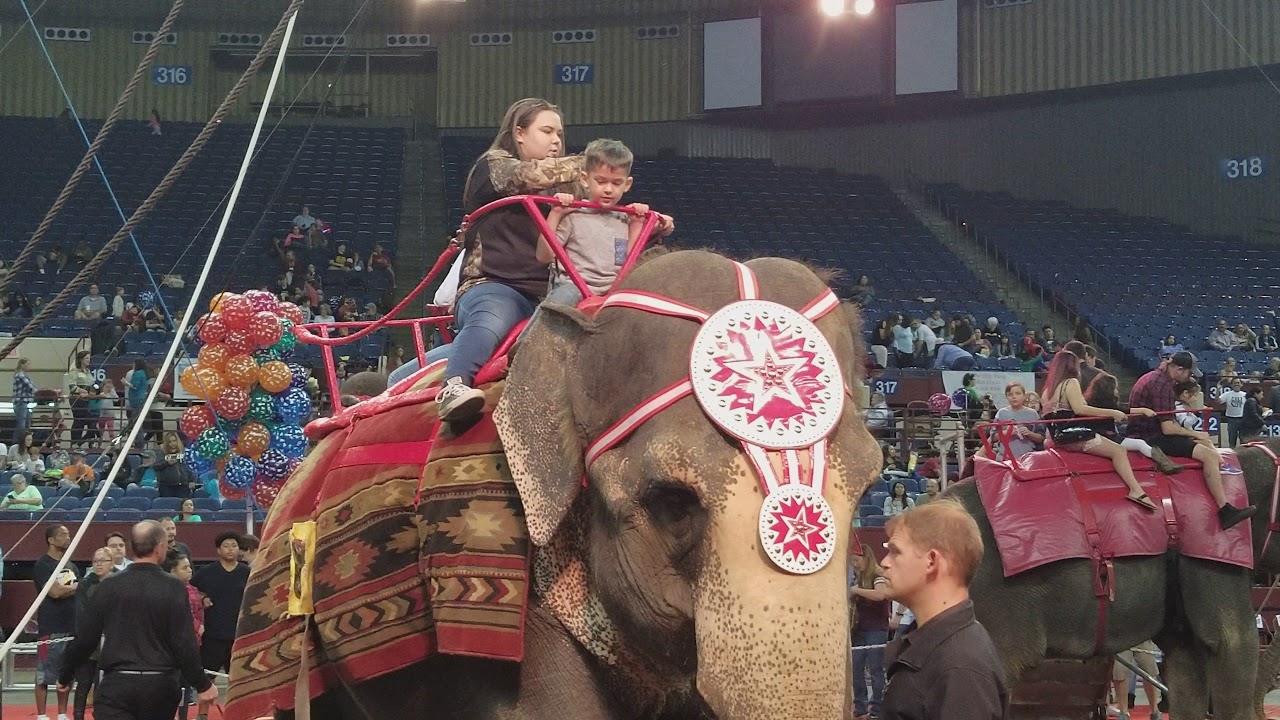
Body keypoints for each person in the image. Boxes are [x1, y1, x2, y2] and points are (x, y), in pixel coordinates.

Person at [432, 98, 585, 422]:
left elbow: (598, 204)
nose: (556, 140)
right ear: (519, 133)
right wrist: (593, 163)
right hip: (493, 284)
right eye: (546, 131)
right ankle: (453, 387)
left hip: (549, 290)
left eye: (559, 133)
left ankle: (416, 370)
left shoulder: (567, 183)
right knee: (495, 316)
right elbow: (528, 175)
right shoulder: (494, 165)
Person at [57, 521, 216, 719]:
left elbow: (85, 638)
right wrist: (202, 683)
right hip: (160, 685)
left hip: (117, 684)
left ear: (132, 547)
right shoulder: (174, 587)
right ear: (160, 547)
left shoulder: (108, 586)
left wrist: (65, 675)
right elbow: (183, 641)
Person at [879, 501, 1009, 720]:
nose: (884, 562)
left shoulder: (960, 669)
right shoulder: (942, 648)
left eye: (895, 552)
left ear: (931, 561)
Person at [534, 138, 673, 306]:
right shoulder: (573, 214)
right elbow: (543, 256)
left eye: (616, 183)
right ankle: (536, 333)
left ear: (627, 184)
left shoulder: (622, 219)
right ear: (585, 179)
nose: (608, 189)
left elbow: (626, 262)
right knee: (561, 299)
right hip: (574, 287)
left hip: (612, 291)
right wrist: (555, 213)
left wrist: (637, 224)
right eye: (601, 181)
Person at [1128, 352, 1256, 530]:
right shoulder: (1162, 385)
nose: (1191, 377)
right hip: (1151, 437)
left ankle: (1221, 475)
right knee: (1209, 455)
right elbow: (1168, 428)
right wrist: (1195, 435)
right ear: (1180, 369)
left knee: (1204, 443)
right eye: (1190, 373)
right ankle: (1225, 510)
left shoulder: (1157, 378)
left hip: (1147, 431)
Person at [1040, 351, 1159, 511]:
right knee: (1118, 451)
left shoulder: (1046, 391)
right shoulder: (1070, 383)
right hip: (1073, 434)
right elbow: (1080, 408)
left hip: (1056, 436)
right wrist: (1112, 412)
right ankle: (1136, 490)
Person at [190, 531, 250, 718]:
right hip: (213, 635)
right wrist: (203, 596)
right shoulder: (207, 572)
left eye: (234, 545)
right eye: (226, 546)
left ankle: (238, 713)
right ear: (218, 549)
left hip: (239, 634)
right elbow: (191, 590)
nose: (230, 549)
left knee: (239, 678)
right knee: (208, 677)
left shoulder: (247, 573)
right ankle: (202, 713)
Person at [1082, 373, 1183, 475]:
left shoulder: (1091, 402)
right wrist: (1143, 410)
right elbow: (1124, 410)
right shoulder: (1106, 404)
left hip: (1103, 433)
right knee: (1140, 443)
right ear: (1108, 390)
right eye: (1115, 389)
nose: (1117, 391)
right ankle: (1165, 463)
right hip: (1106, 435)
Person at [33, 524, 79, 720]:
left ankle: (62, 713)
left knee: (66, 672)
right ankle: (42, 714)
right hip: (50, 627)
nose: (67, 538)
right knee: (44, 674)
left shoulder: (71, 565)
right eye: (63, 535)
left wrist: (66, 588)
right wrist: (71, 588)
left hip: (71, 625)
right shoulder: (43, 564)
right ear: (51, 540)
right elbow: (54, 592)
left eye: (69, 534)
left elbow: (73, 588)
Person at [68, 547, 113, 720]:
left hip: (110, 642)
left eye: (103, 560)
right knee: (84, 682)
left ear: (111, 563)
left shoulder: (118, 582)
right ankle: (78, 716)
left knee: (105, 685)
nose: (99, 564)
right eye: (95, 561)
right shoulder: (85, 585)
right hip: (89, 641)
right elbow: (82, 613)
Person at [849, 542, 891, 720]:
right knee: (856, 670)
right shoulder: (855, 576)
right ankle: (861, 708)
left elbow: (880, 595)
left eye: (857, 560)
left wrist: (856, 591)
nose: (855, 564)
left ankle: (877, 710)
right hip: (858, 629)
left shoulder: (877, 574)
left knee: (876, 671)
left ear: (866, 558)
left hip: (876, 629)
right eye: (853, 561)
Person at [164, 549, 204, 720]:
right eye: (184, 568)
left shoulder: (194, 590)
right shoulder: (167, 590)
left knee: (186, 687)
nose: (189, 570)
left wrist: (201, 625)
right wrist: (194, 626)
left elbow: (199, 611)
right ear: (172, 571)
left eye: (190, 567)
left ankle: (184, 716)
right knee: (170, 687)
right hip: (172, 647)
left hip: (192, 644)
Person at [993, 382, 1044, 459]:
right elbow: (993, 437)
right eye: (1010, 394)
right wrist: (1007, 432)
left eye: (1018, 393)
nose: (1014, 397)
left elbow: (1041, 438)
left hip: (1028, 459)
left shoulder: (1032, 414)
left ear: (1024, 396)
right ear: (1006, 397)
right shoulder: (1001, 413)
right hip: (1005, 458)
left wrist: (1029, 433)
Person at [155, 432, 195, 498]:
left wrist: (192, 480)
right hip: (166, 487)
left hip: (183, 487)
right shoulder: (162, 454)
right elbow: (155, 466)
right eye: (170, 442)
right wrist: (167, 463)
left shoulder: (184, 453)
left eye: (174, 441)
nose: (172, 444)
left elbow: (190, 467)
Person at [13, 356, 37, 441]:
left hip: (24, 402)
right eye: (28, 364)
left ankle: (20, 442)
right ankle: (17, 443)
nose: (29, 366)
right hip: (21, 402)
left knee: (26, 424)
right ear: (22, 365)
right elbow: (30, 386)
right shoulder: (21, 375)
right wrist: (38, 393)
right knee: (22, 425)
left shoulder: (23, 375)